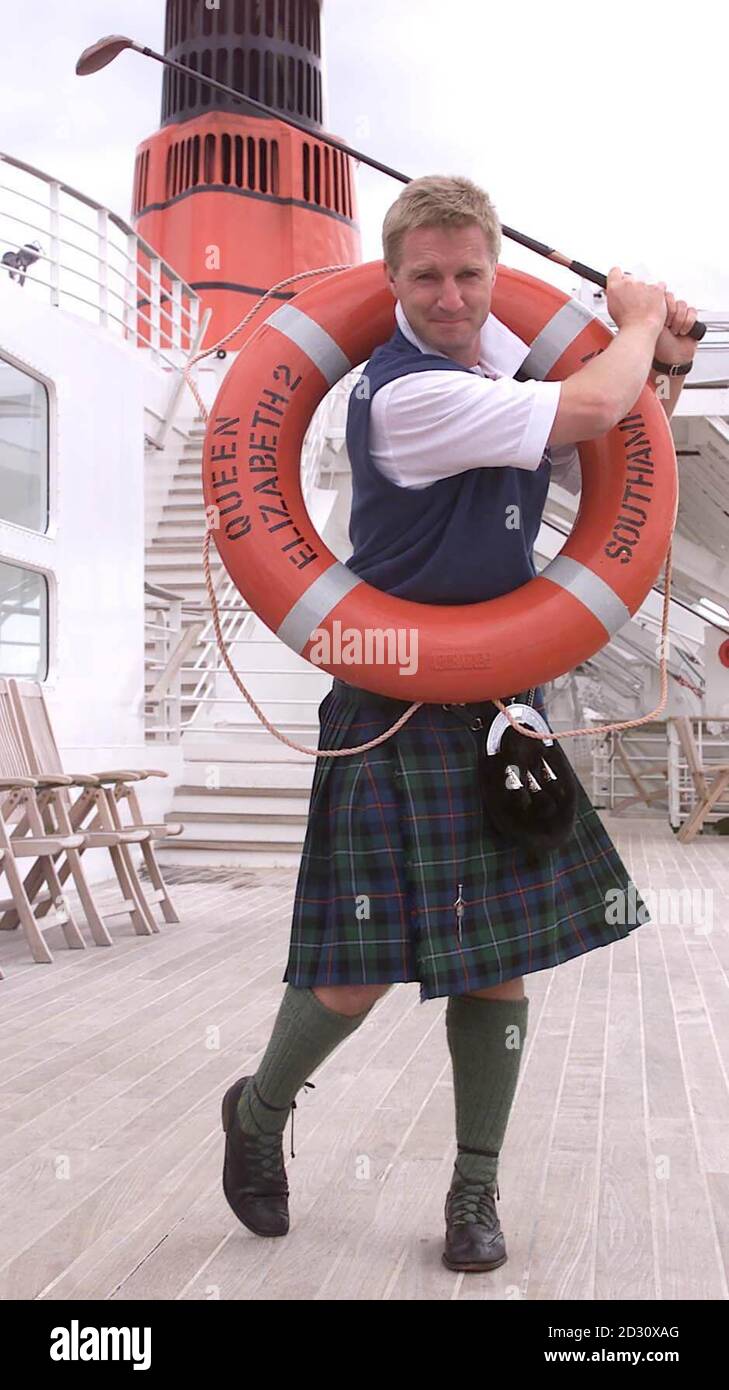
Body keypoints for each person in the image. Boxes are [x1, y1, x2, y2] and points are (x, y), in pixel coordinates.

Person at [221, 176, 699, 1274]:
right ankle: (257, 1110)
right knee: (353, 973)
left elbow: (626, 426)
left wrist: (658, 356)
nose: (449, 294)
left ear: (494, 275)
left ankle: (474, 1190)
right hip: (392, 708)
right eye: (427, 275)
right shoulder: (406, 397)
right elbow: (588, 412)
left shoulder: (492, 368)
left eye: (468, 274)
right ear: (391, 280)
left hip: (496, 708)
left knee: (499, 963)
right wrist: (632, 322)